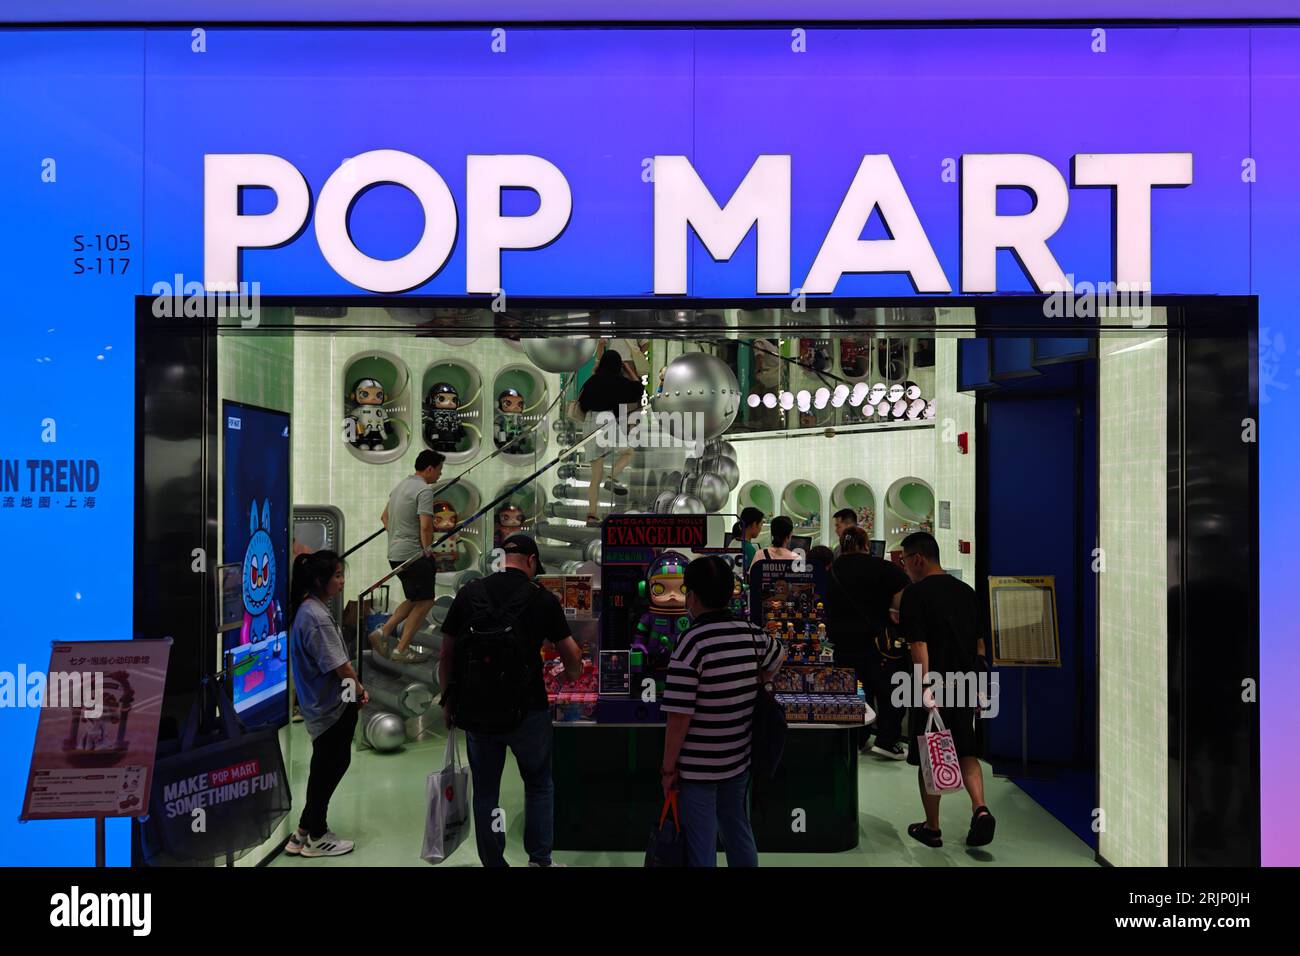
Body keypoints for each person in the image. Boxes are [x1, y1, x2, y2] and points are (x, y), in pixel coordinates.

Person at [438, 534, 583, 867]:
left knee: (487, 791)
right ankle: (539, 860)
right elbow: (572, 656)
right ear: (531, 561)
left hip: (475, 711)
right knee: (538, 784)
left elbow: (446, 655)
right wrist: (571, 676)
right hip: (528, 710)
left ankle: (494, 863)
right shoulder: (542, 599)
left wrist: (448, 703)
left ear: (502, 559)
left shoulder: (468, 593)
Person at [660, 556, 785, 867]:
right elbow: (779, 653)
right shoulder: (751, 633)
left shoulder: (691, 643)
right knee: (737, 830)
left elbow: (679, 717)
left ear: (693, 596)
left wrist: (667, 769)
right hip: (738, 760)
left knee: (701, 845)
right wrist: (760, 679)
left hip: (697, 769)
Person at [897, 531, 996, 849]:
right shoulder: (967, 592)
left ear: (917, 559)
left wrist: (924, 686)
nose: (905, 569)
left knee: (932, 751)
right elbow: (980, 645)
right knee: (966, 749)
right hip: (965, 682)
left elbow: (919, 644)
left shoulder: (916, 595)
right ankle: (980, 808)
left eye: (905, 562)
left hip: (935, 685)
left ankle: (933, 827)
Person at [285, 550, 368, 858]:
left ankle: (302, 833)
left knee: (328, 766)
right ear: (320, 580)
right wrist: (358, 690)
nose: (342, 580)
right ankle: (316, 836)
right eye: (337, 575)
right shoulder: (316, 616)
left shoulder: (308, 609)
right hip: (331, 707)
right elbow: (340, 666)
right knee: (328, 768)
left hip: (322, 704)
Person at [825, 526, 909, 758]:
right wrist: (893, 608)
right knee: (887, 692)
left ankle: (858, 739)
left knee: (855, 693)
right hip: (876, 644)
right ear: (866, 545)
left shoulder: (833, 570)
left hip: (842, 645)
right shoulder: (880, 567)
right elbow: (904, 585)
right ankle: (886, 740)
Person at [369, 450, 445, 662]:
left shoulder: (400, 486)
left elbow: (384, 517)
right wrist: (428, 551)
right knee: (427, 601)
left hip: (395, 553)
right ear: (430, 468)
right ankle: (401, 649)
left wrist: (399, 536)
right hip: (413, 554)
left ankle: (383, 632)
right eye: (439, 470)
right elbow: (426, 527)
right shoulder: (424, 491)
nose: (439, 475)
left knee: (414, 598)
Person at [577, 346, 645, 524]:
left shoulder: (592, 381)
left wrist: (595, 372)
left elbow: (582, 403)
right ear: (618, 366)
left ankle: (592, 514)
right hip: (607, 422)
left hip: (590, 422)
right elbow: (638, 390)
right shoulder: (618, 382)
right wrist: (629, 369)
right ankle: (612, 476)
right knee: (628, 452)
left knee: (595, 474)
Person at [733, 506, 764, 572]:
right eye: (761, 524)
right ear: (754, 524)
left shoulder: (733, 542)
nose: (761, 528)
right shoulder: (749, 549)